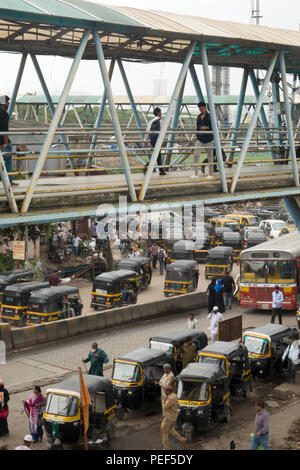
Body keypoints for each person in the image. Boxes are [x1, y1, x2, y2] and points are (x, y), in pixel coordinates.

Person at [191, 102, 214, 179]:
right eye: (200, 109)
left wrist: (206, 128)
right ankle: (196, 173)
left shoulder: (210, 116)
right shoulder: (198, 116)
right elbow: (197, 127)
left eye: (202, 109)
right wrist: (197, 137)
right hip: (200, 139)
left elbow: (214, 127)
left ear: (205, 108)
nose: (201, 110)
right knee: (196, 155)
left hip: (209, 139)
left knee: (210, 156)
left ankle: (210, 174)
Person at [161, 386, 187, 450]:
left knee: (164, 432)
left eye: (165, 391)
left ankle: (166, 448)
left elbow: (165, 407)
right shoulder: (175, 396)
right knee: (170, 429)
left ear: (168, 391)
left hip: (168, 418)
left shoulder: (170, 398)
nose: (164, 392)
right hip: (173, 417)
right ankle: (182, 439)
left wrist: (163, 400)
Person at [144, 107, 166, 176]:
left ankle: (161, 170)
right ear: (159, 113)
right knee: (156, 155)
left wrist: (145, 142)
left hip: (152, 140)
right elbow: (163, 131)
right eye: (161, 112)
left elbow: (147, 132)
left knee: (157, 155)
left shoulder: (150, 122)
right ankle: (147, 167)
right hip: (158, 140)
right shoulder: (161, 121)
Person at [0, 95, 17, 186]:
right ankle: (8, 182)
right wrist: (6, 143)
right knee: (8, 162)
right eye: (7, 102)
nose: (8, 104)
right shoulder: (3, 114)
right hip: (3, 143)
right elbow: (4, 130)